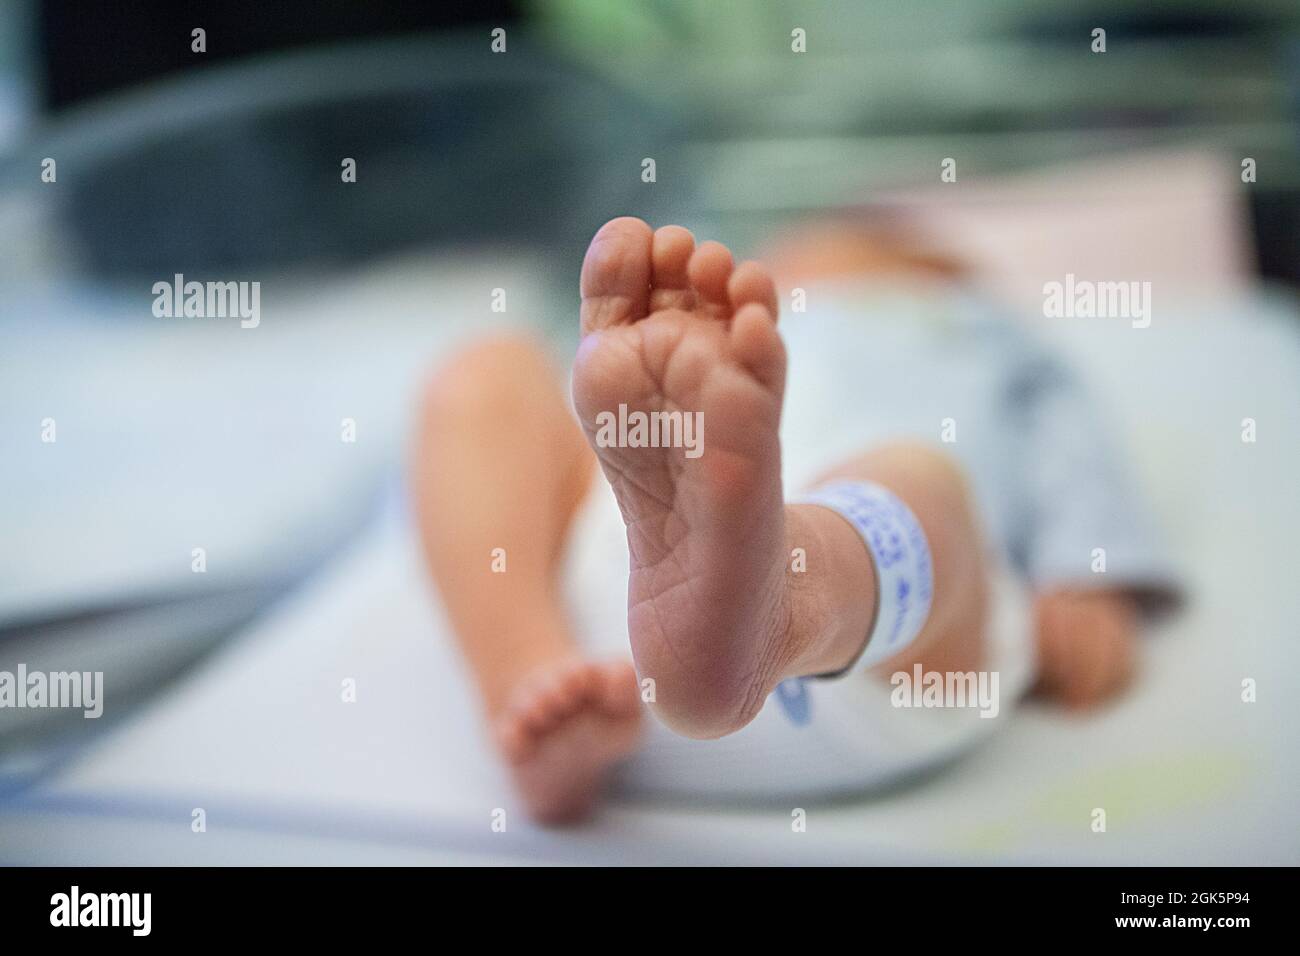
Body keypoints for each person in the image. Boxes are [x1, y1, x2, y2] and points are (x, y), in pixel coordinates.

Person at [411, 217, 1179, 823]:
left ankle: (785, 601)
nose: (816, 264)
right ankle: (531, 677)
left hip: (890, 639)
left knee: (918, 480)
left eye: (854, 252)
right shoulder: (690, 351)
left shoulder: (978, 329)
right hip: (608, 650)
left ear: (934, 276)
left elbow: (1072, 443)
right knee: (489, 372)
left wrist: (1087, 572)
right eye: (790, 258)